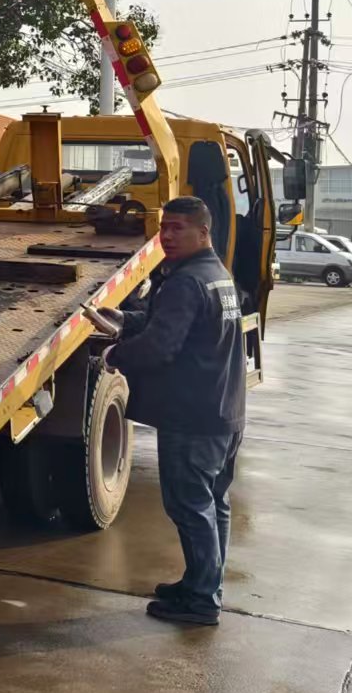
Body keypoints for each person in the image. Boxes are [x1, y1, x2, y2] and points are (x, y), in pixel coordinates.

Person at [104, 195, 246, 626]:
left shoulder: (186, 282)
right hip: (224, 413)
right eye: (164, 227)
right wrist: (127, 321)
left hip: (192, 416)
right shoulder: (215, 275)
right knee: (213, 505)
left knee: (189, 507)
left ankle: (202, 601)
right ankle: (203, 585)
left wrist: (116, 354)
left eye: (178, 228)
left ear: (203, 232)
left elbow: (162, 347)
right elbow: (176, 325)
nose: (167, 235)